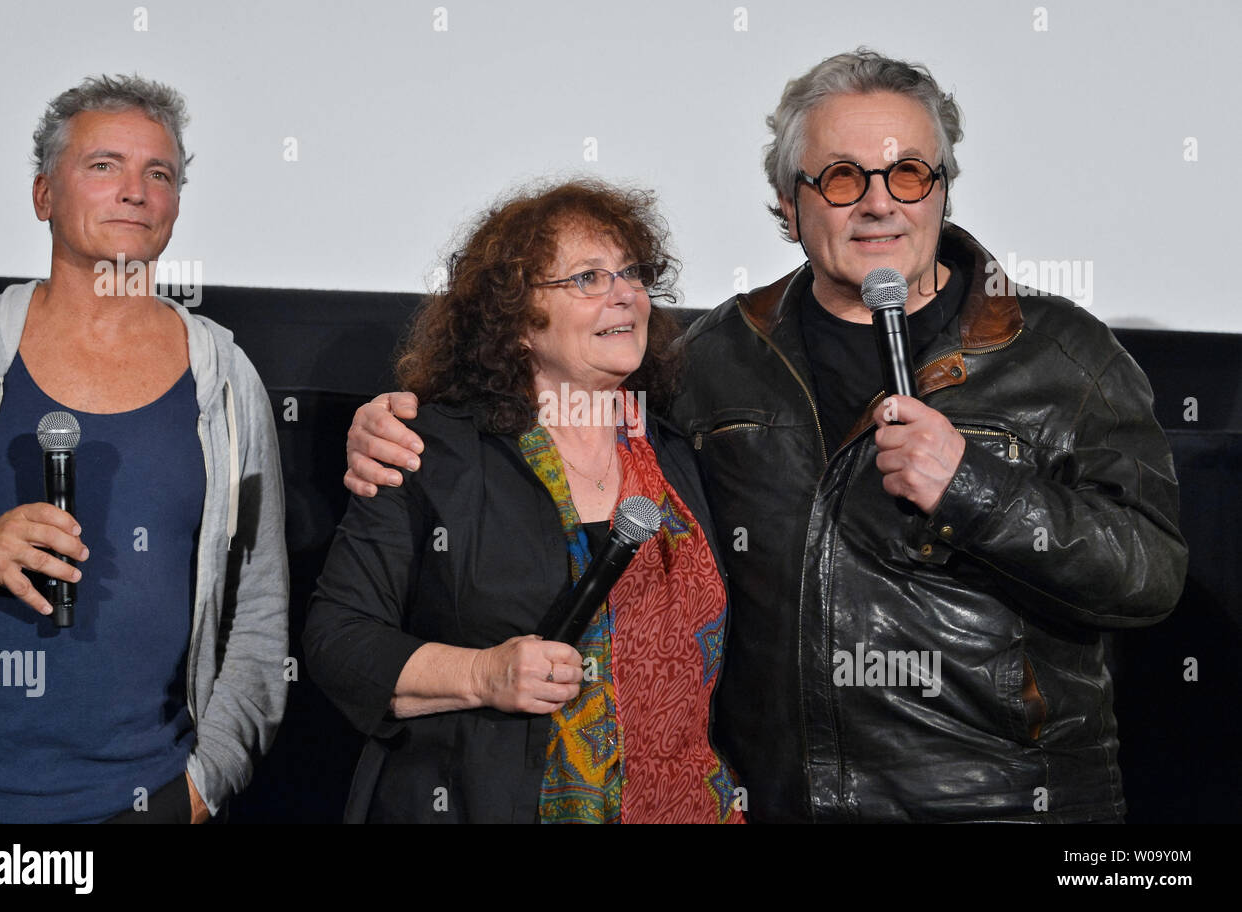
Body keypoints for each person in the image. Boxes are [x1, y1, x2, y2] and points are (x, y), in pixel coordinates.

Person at [343, 50, 1188, 823]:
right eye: (842, 177)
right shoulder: (716, 356)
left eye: (909, 173)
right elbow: (544, 400)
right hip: (778, 804)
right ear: (789, 207)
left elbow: (1150, 576)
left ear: (944, 189)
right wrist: (397, 417)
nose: (879, 202)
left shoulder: (1063, 354)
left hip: (999, 805)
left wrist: (974, 487)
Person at [305, 179, 743, 824]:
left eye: (632, 273)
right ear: (515, 324)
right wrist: (483, 675)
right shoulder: (428, 450)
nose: (625, 293)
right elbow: (337, 642)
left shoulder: (676, 450)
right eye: (588, 278)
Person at [0, 74, 288, 823]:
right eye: (104, 166)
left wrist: (198, 790)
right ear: (43, 196)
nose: (135, 190)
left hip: (144, 802)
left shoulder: (226, 382)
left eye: (157, 174)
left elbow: (258, 619)